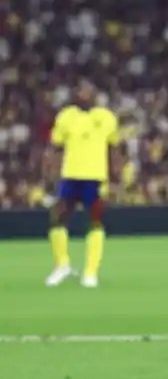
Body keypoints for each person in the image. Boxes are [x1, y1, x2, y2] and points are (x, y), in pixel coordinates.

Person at [45, 80, 121, 288]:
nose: (85, 94)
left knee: (95, 220)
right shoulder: (66, 116)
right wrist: (50, 173)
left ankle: (90, 272)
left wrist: (117, 178)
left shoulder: (106, 118)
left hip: (95, 178)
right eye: (81, 90)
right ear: (75, 94)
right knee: (57, 217)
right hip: (70, 175)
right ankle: (62, 265)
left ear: (95, 94)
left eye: (89, 90)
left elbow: (113, 149)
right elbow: (55, 148)